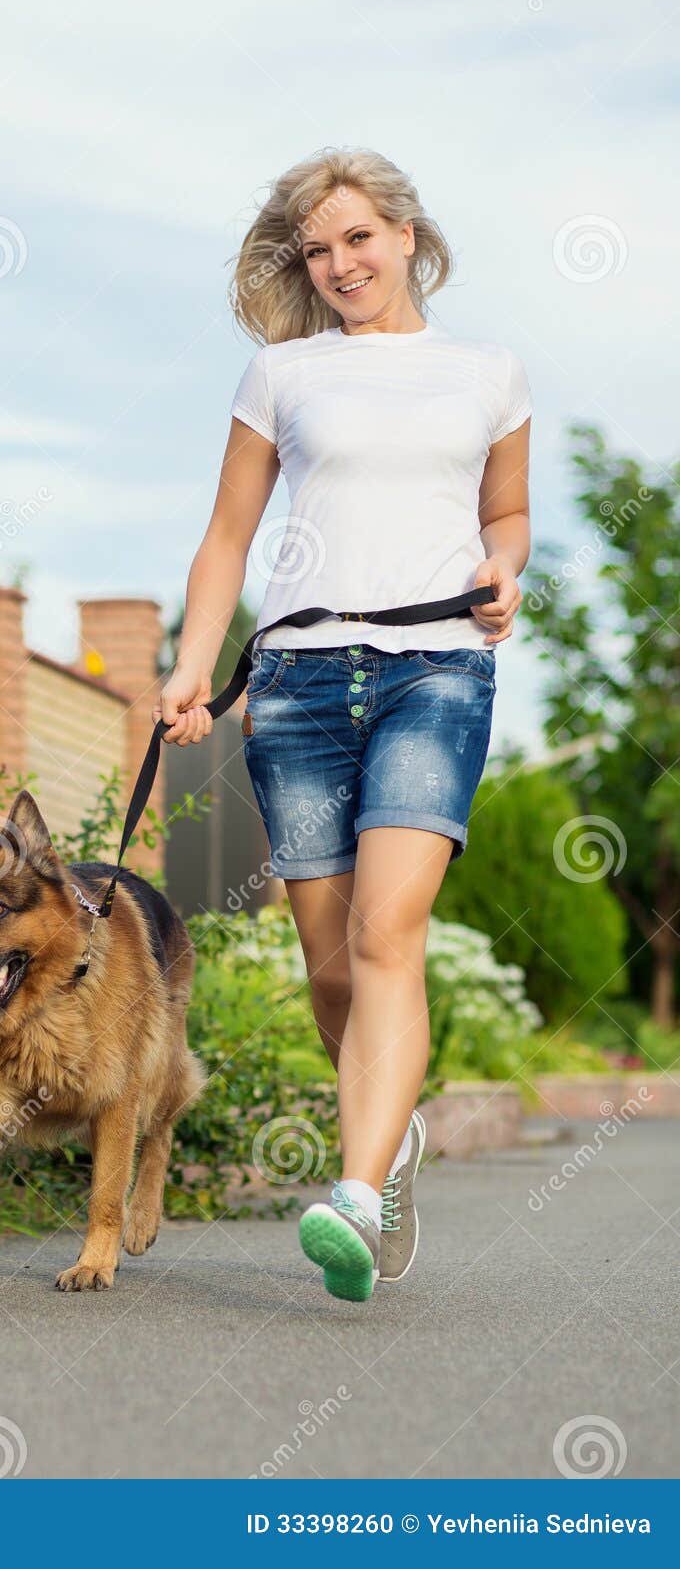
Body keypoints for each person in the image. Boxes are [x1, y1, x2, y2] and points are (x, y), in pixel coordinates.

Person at [153, 147, 532, 1303]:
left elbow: (507, 512)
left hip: (437, 668)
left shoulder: (489, 372)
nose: (338, 264)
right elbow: (227, 536)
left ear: (406, 235)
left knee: (385, 934)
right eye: (317, 249)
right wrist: (192, 666)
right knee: (331, 973)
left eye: (357, 239)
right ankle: (395, 1140)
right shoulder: (282, 373)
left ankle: (357, 1195)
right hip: (301, 680)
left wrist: (503, 569)